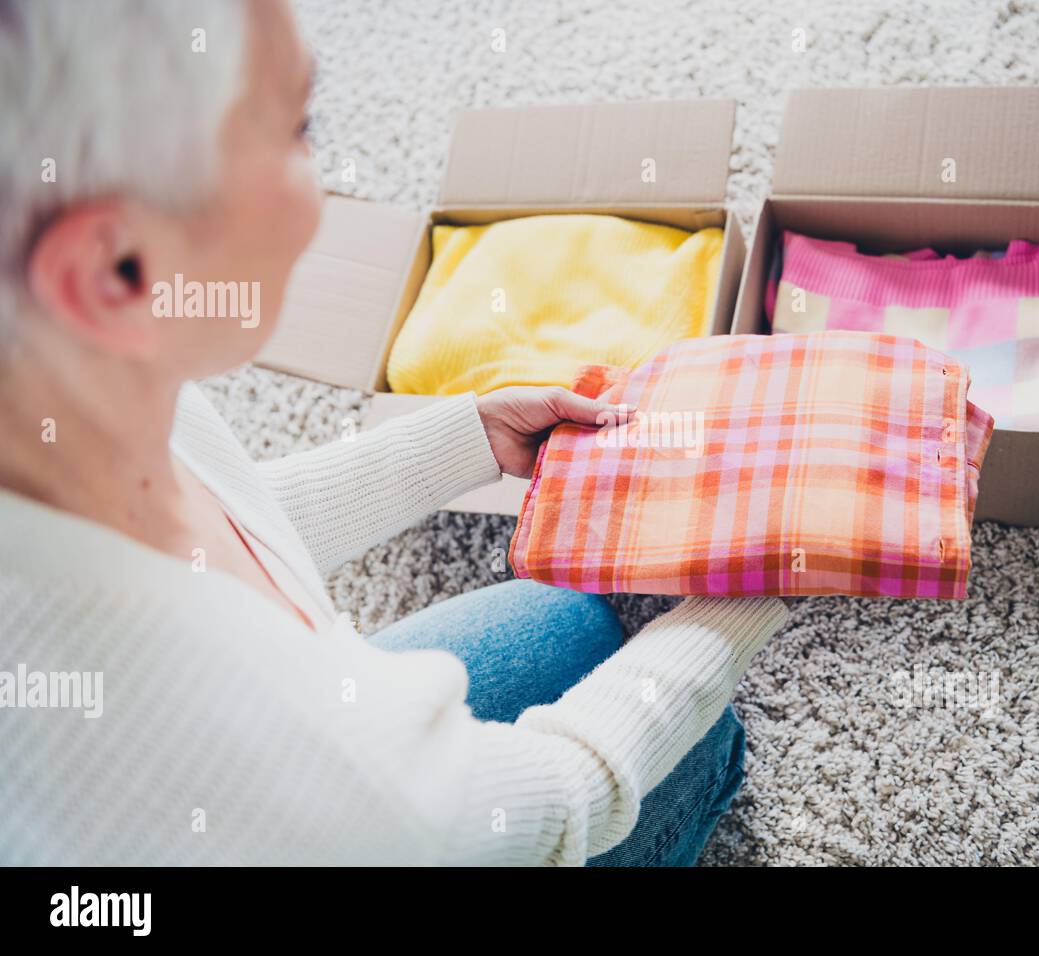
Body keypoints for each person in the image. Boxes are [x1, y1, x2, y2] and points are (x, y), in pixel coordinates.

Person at [0, 0, 788, 865]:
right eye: (298, 125)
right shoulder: (243, 731)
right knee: (699, 745)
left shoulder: (59, 373)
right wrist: (745, 594)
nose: (325, 182)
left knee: (567, 624)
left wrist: (468, 437)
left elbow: (223, 527)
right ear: (110, 271)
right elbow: (562, 799)